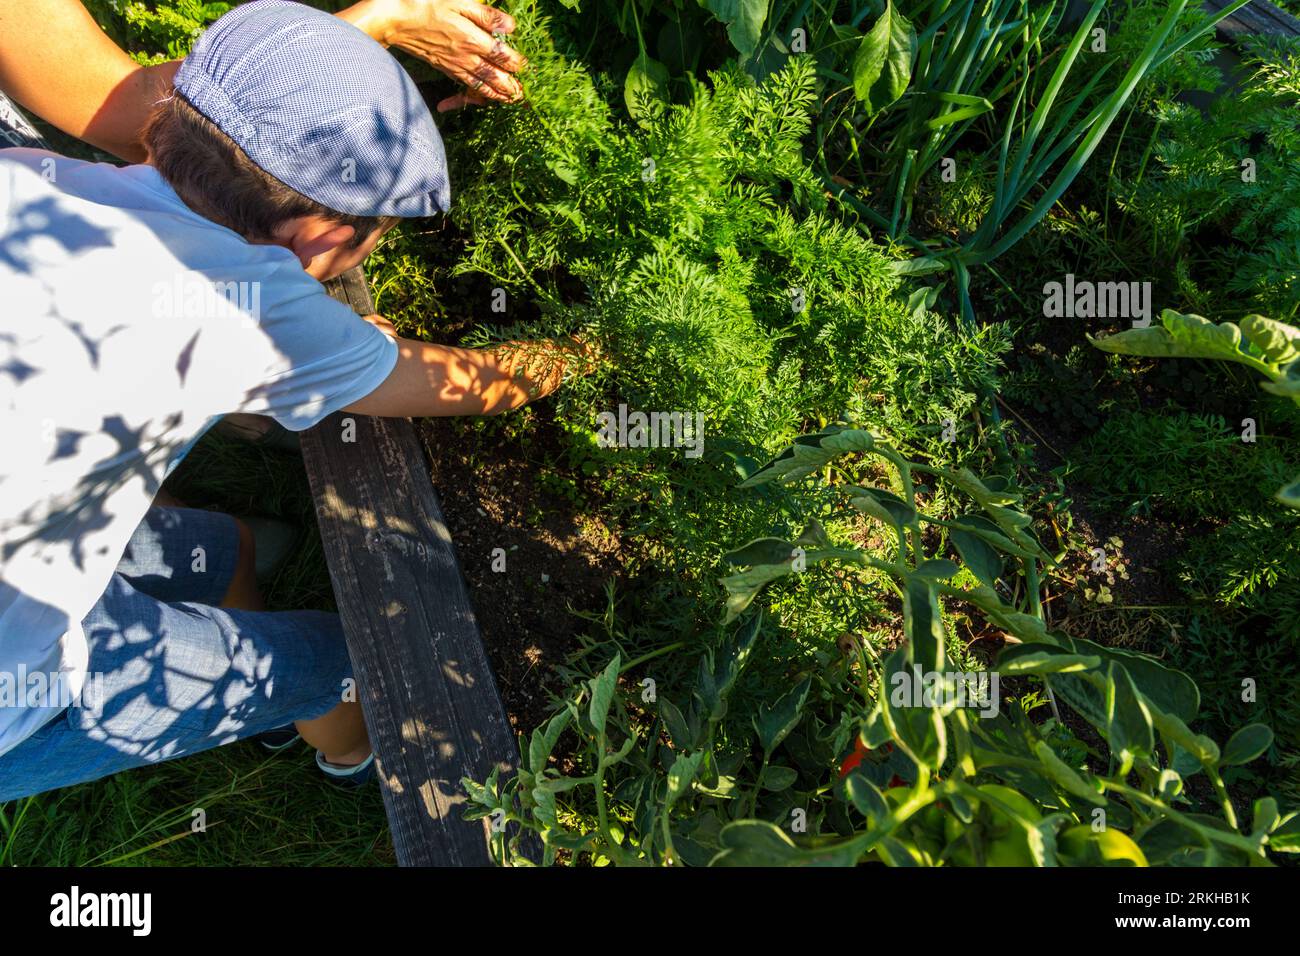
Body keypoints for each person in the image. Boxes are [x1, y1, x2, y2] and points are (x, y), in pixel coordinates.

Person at [0, 0, 587, 800]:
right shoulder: (247, 310)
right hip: (21, 694)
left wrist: (318, 337)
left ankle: (256, 699)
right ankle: (347, 758)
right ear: (320, 244)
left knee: (224, 549)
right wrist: (583, 353)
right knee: (343, 665)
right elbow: (472, 387)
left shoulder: (34, 180)